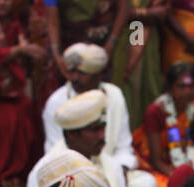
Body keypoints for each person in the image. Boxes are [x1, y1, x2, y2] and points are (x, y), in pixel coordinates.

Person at [106, 0, 172, 131]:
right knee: (121, 83)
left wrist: (130, 14)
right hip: (118, 34)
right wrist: (143, 13)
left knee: (145, 81)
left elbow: (162, 13)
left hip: (142, 34)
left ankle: (144, 138)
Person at [0, 0, 43, 187]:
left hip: (11, 91)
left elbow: (27, 51)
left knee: (25, 113)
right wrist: (16, 51)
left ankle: (13, 174)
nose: (2, 3)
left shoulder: (15, 25)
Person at [43, 42, 135, 170]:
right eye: (71, 71)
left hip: (110, 167)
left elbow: (124, 146)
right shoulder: (57, 101)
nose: (74, 78)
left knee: (146, 182)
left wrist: (122, 170)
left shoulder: (114, 95)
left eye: (82, 73)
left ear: (98, 75)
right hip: (71, 170)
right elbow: (54, 148)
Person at [133, 63, 194, 187]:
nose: (187, 92)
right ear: (170, 88)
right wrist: (180, 177)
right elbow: (155, 160)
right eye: (181, 87)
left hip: (189, 167)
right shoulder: (156, 112)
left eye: (191, 86)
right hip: (159, 170)